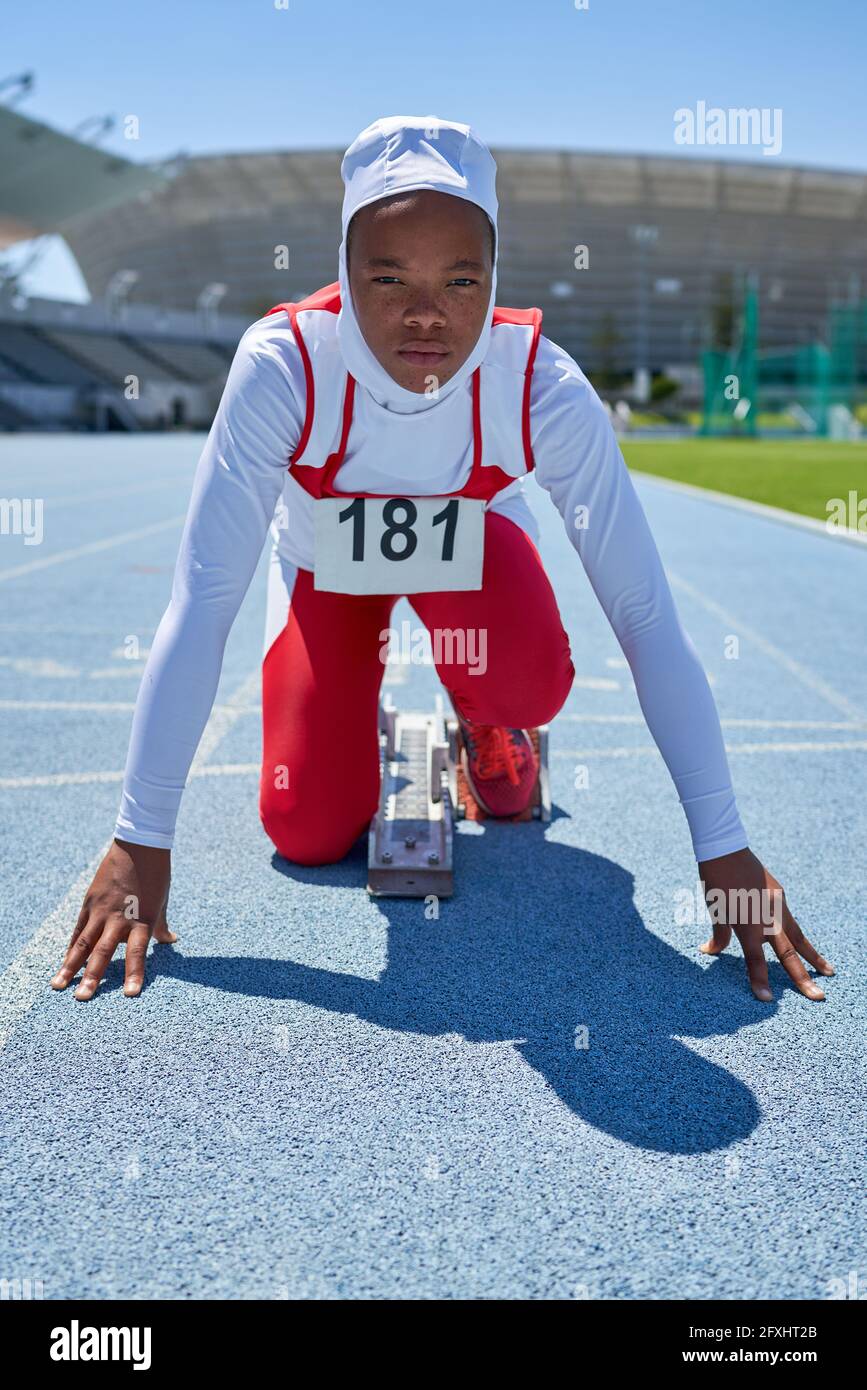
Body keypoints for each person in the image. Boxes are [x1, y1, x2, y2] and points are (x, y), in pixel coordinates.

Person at [50, 115, 834, 1005]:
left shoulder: (539, 382)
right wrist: (139, 837)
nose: (426, 314)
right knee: (304, 831)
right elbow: (202, 600)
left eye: (460, 280)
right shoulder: (282, 365)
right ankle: (356, 715)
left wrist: (721, 844)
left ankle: (489, 724)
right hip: (326, 570)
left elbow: (643, 613)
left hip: (470, 568)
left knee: (530, 689)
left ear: (493, 278)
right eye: (389, 279)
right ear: (344, 273)